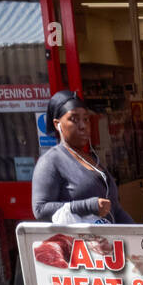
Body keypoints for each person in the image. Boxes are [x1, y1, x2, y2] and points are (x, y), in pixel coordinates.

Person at [32, 90, 133, 224]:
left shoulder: (91, 159)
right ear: (57, 124)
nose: (83, 126)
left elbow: (114, 208)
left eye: (86, 119)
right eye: (74, 119)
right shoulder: (51, 161)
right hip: (78, 243)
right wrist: (87, 206)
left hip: (108, 241)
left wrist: (136, 234)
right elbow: (40, 209)